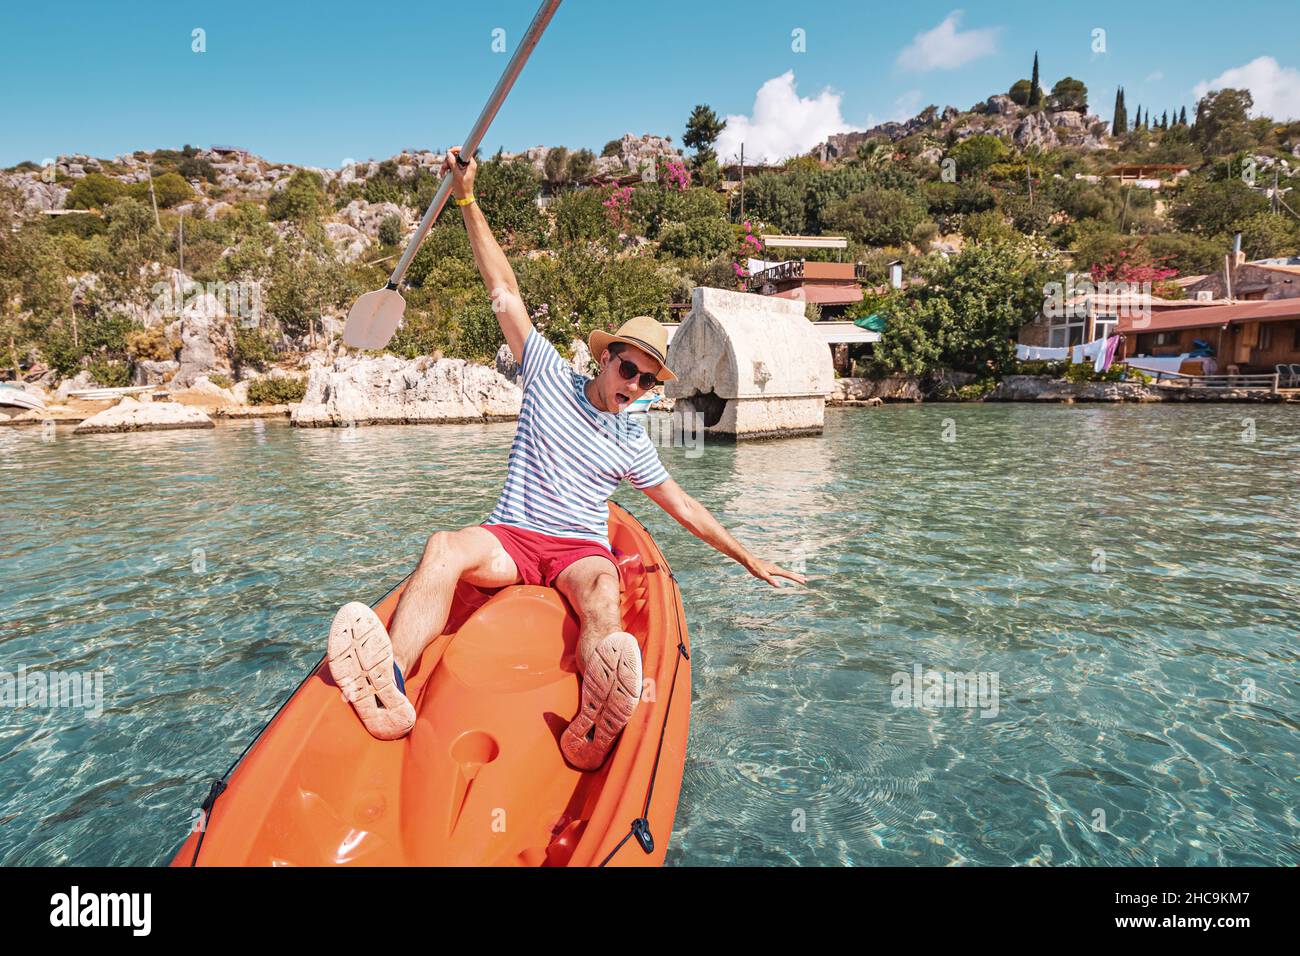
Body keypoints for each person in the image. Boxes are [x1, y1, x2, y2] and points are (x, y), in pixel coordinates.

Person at [327, 146, 806, 770]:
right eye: (627, 367)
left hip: (578, 550)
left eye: (646, 380)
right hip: (511, 537)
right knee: (443, 546)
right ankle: (390, 683)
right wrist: (467, 198)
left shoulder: (634, 440)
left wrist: (749, 558)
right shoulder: (549, 374)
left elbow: (683, 506)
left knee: (605, 587)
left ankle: (593, 716)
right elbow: (503, 289)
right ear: (605, 358)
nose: (633, 384)